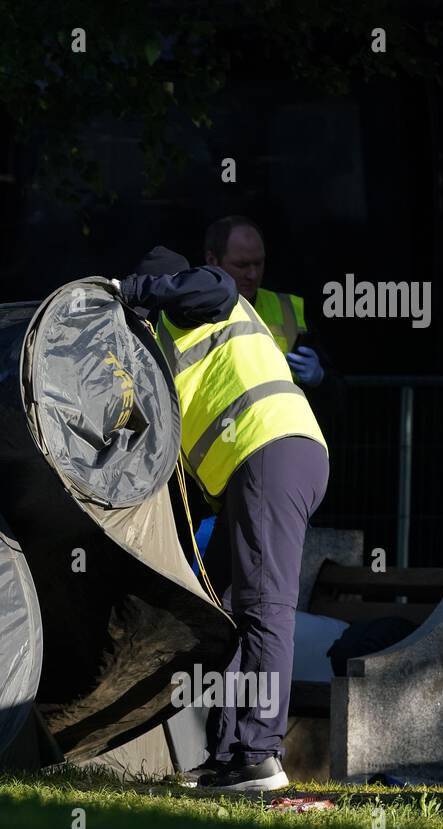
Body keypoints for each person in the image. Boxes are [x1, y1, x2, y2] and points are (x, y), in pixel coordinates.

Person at [117, 246, 330, 791]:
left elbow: (217, 284)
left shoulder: (194, 296)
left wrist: (133, 293)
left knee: (264, 608)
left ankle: (259, 755)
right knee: (224, 612)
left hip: (269, 451)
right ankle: (229, 752)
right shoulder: (177, 332)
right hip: (261, 466)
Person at [202, 215, 341, 400]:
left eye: (258, 263)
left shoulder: (290, 309)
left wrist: (321, 379)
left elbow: (338, 391)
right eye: (241, 265)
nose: (252, 274)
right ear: (212, 260)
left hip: (282, 424)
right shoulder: (192, 314)